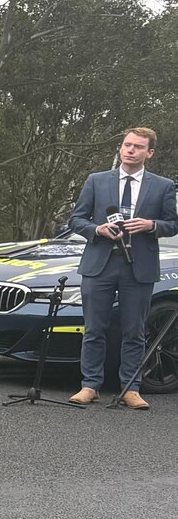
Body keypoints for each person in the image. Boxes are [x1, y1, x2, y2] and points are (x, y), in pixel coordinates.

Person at [66, 127, 175, 409]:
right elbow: (76, 220)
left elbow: (173, 223)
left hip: (138, 266)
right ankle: (89, 385)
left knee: (134, 331)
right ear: (120, 148)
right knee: (94, 329)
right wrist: (97, 229)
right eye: (127, 145)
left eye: (138, 147)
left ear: (149, 153)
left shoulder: (162, 186)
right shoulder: (97, 181)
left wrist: (152, 226)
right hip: (100, 264)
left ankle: (131, 388)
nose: (130, 150)